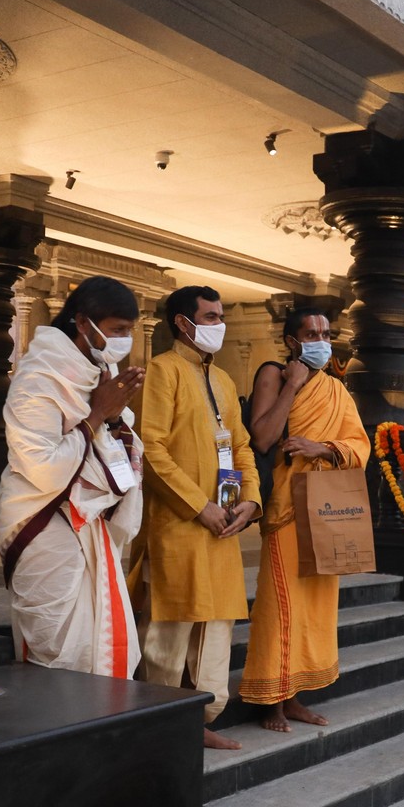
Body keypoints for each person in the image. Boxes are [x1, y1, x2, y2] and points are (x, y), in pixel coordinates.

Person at [0, 276, 146, 677]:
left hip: (89, 521)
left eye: (129, 330)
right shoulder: (39, 378)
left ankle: (99, 714)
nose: (124, 339)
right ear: (82, 322)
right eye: (117, 329)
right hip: (43, 521)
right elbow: (42, 468)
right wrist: (98, 413)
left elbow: (115, 442)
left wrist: (111, 417)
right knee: (57, 648)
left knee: (100, 643)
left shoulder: (98, 371)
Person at [135, 285, 261, 750]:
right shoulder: (162, 370)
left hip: (224, 524)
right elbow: (151, 449)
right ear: (182, 323)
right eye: (210, 317)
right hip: (180, 525)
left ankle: (200, 719)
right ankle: (160, 723)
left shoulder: (223, 380)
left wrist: (251, 501)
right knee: (171, 631)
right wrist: (198, 506)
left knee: (216, 627)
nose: (218, 325)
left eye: (220, 316)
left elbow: (241, 446)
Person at [240, 310, 369, 732]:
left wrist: (323, 448)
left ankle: (295, 696)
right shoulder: (273, 375)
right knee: (281, 606)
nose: (321, 341)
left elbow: (359, 444)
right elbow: (261, 438)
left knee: (316, 607)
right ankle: (271, 701)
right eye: (312, 334)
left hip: (324, 507)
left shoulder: (335, 389)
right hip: (286, 506)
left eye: (327, 334)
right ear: (291, 341)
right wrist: (292, 385)